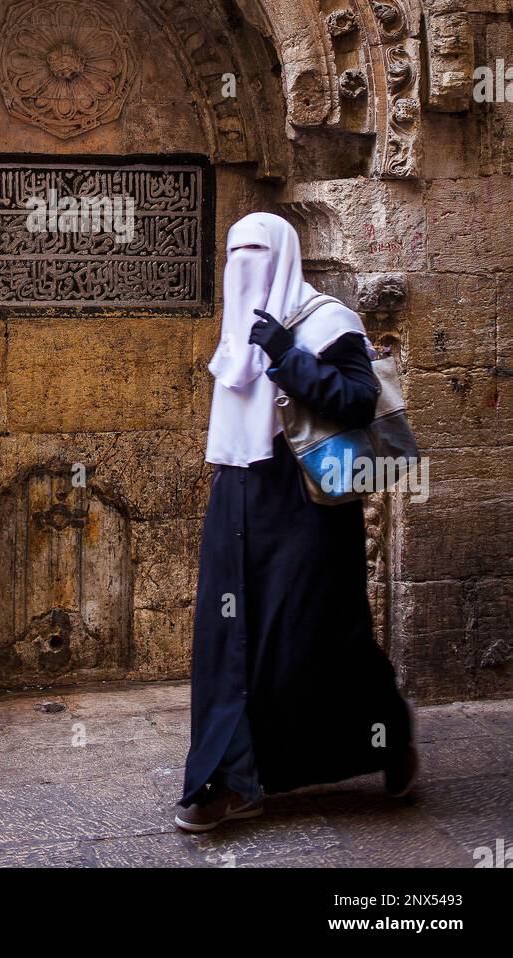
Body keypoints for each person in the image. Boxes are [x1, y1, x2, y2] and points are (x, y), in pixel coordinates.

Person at [175, 211, 417, 832]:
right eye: (236, 254)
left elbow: (358, 398)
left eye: (259, 252)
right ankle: (226, 778)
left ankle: (384, 736)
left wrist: (286, 356)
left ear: (284, 253)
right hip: (238, 491)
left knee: (318, 634)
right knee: (226, 633)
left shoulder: (326, 320)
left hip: (306, 500)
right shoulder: (236, 331)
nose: (246, 266)